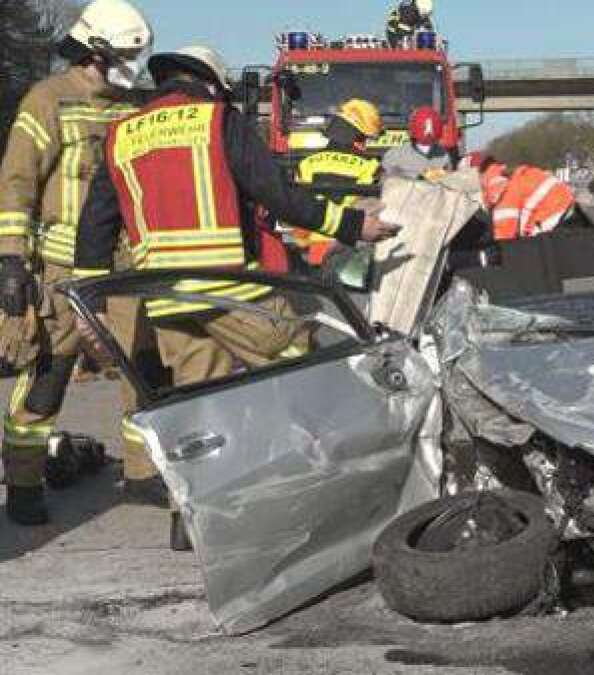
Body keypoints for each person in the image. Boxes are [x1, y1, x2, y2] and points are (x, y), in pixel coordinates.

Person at [73, 46, 399, 546]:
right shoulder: (215, 120)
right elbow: (278, 195)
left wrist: (89, 304)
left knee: (198, 416)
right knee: (302, 366)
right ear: (209, 83)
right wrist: (356, 225)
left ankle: (190, 523)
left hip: (166, 301)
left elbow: (96, 224)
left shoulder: (123, 133)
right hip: (232, 291)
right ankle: (331, 492)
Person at [0, 0, 153, 526]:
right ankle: (23, 484)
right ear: (96, 52)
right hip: (61, 275)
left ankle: (141, 476)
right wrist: (12, 262)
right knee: (46, 379)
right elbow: (17, 182)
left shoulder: (132, 106)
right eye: (128, 54)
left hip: (123, 269)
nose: (136, 65)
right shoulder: (48, 100)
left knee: (141, 374)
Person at [292, 99, 383, 267]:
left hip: (308, 249)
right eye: (366, 139)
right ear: (357, 137)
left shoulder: (307, 163)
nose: (366, 145)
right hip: (347, 251)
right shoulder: (371, 168)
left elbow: (297, 205)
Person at [382, 106, 453, 181]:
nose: (427, 145)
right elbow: (386, 183)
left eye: (430, 142)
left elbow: (448, 182)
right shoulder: (395, 155)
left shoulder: (443, 156)